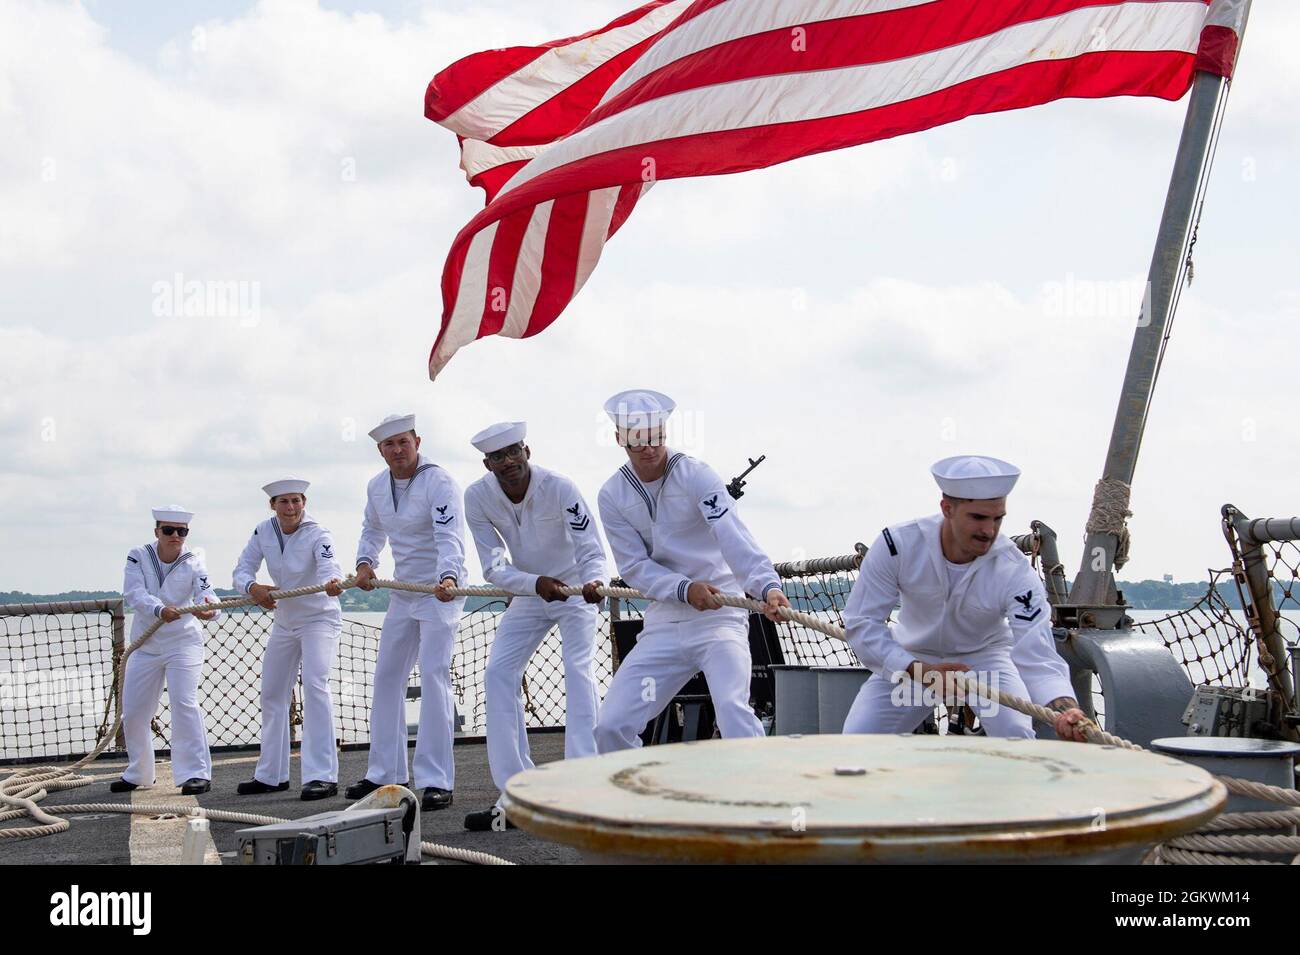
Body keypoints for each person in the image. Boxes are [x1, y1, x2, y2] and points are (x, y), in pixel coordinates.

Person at [593, 390, 791, 753]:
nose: (650, 449)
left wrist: (766, 588)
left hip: (719, 619)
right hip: (665, 623)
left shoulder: (696, 475)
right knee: (611, 725)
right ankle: (633, 806)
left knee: (733, 710)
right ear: (621, 439)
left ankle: (761, 797)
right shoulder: (612, 495)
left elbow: (734, 538)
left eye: (656, 438)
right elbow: (634, 567)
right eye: (639, 442)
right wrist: (684, 589)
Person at [841, 455, 1089, 742]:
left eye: (998, 518)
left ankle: (1009, 788)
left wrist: (1066, 708)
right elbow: (862, 623)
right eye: (978, 517)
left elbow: (1037, 651)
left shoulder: (1013, 568)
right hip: (913, 661)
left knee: (1016, 735)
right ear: (947, 509)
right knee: (858, 739)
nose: (989, 531)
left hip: (985, 661)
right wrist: (918, 670)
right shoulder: (897, 546)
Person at [461, 421, 607, 832]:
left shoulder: (560, 487)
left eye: (514, 452)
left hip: (575, 587)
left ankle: (582, 787)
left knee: (578, 671)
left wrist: (595, 582)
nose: (508, 462)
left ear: (527, 450)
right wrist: (533, 585)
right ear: (487, 464)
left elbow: (591, 548)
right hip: (529, 592)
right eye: (498, 457)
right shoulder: (476, 498)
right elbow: (492, 566)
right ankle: (515, 793)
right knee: (498, 674)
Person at [346, 414, 467, 812]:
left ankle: (436, 779)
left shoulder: (439, 481)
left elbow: (449, 535)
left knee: (434, 675)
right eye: (389, 445)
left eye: (403, 442)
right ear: (380, 450)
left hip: (438, 590)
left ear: (417, 440)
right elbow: (371, 529)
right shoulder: (377, 486)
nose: (397, 450)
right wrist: (365, 562)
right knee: (386, 677)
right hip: (402, 590)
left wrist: (449, 576)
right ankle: (385, 773)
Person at [232, 479, 345, 801]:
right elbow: (242, 570)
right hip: (284, 621)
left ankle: (322, 775)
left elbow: (328, 566)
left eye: (297, 500)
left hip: (318, 618)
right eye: (284, 502)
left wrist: (331, 582)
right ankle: (271, 774)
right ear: (273, 506)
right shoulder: (262, 532)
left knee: (315, 686)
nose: (292, 507)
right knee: (272, 693)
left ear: (304, 502)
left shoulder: (318, 533)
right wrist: (251, 588)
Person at [113, 505, 220, 794]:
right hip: (146, 645)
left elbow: (207, 593)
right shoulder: (138, 555)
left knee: (184, 703)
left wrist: (209, 609)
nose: (175, 536)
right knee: (134, 711)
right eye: (169, 530)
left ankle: (195, 773)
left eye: (181, 531)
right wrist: (159, 609)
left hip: (183, 643)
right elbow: (134, 593)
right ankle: (139, 772)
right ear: (157, 532)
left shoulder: (194, 560)